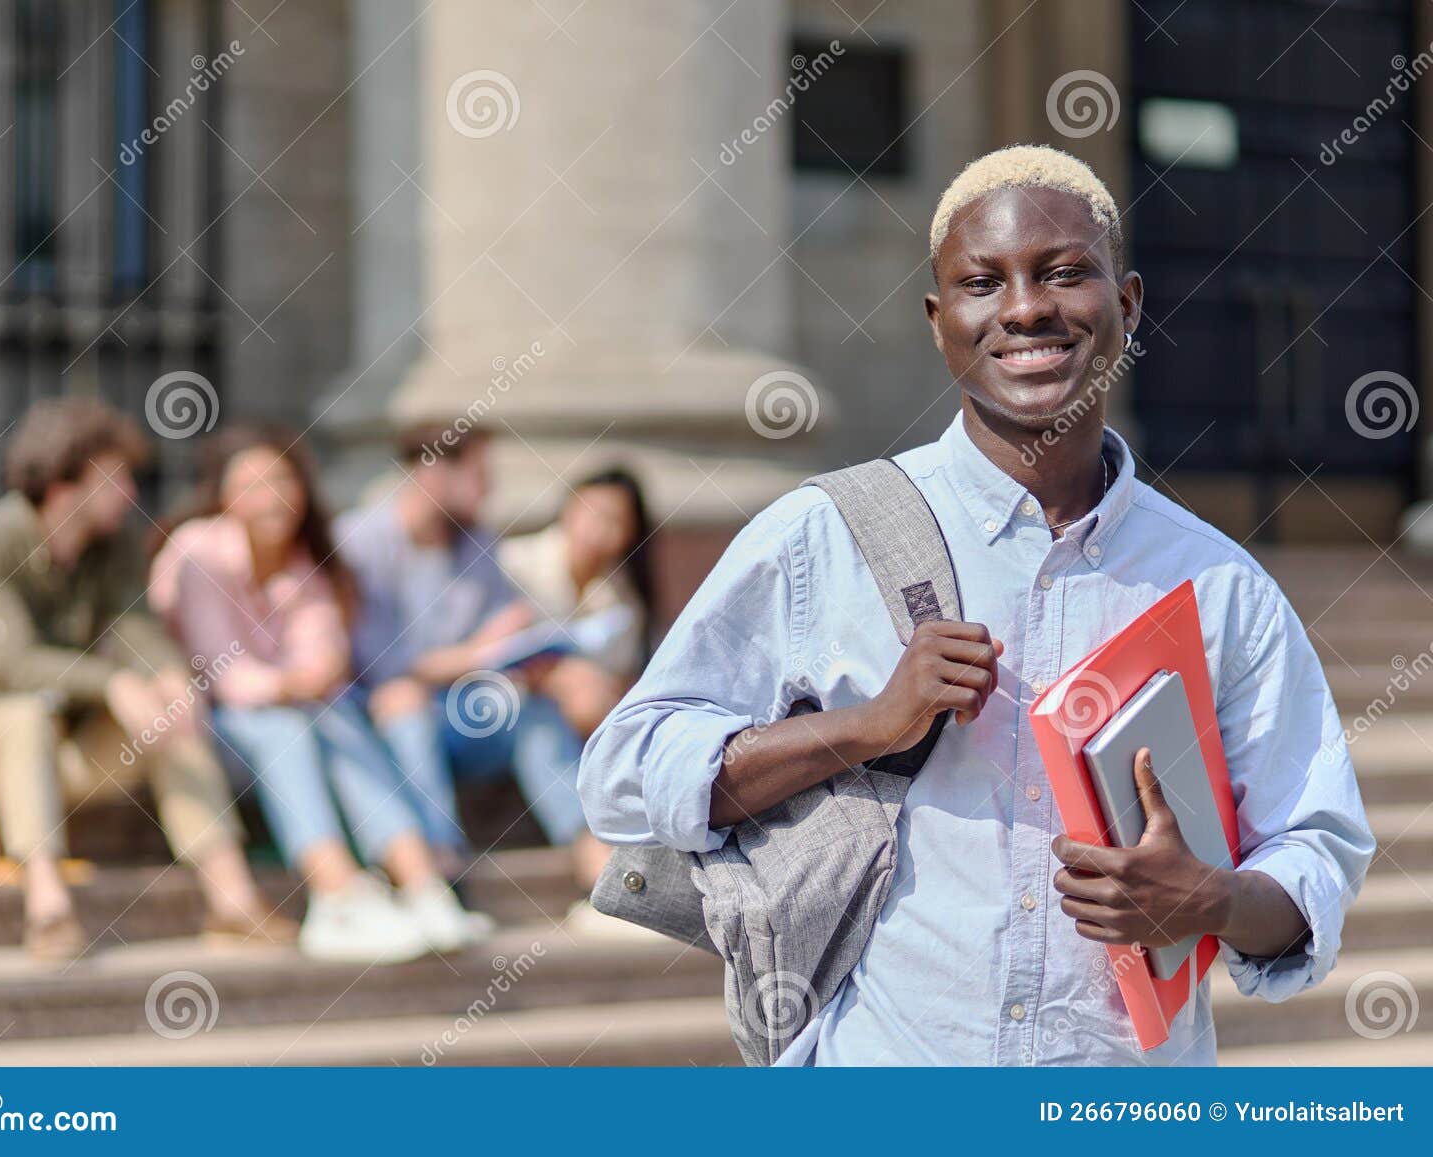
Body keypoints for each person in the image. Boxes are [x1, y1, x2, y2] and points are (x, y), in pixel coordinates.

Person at [578, 145, 1376, 1065]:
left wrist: (1209, 900)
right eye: (982, 282)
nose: (1027, 307)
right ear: (939, 319)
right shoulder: (822, 535)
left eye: (1065, 273)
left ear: (1128, 305)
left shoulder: (1221, 588)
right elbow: (623, 775)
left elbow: (1313, 852)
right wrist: (866, 725)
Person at [0, 397, 293, 961]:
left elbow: (136, 628)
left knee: (169, 713)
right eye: (116, 476)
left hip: (72, 752)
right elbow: (16, 663)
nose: (130, 491)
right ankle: (48, 906)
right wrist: (111, 684)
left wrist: (171, 677)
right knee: (26, 716)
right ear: (64, 481)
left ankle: (233, 900)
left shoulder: (117, 544)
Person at [150, 425, 492, 962]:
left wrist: (309, 677)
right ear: (225, 495)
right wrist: (294, 682)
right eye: (255, 484)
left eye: (283, 480)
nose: (274, 496)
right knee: (289, 723)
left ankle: (422, 884)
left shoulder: (307, 566)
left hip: (302, 719)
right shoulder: (198, 552)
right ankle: (336, 897)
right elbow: (226, 676)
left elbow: (323, 656)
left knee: (333, 712)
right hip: (219, 731)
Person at [334, 426, 617, 924]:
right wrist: (475, 653)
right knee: (403, 703)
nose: (487, 490)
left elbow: (505, 633)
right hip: (384, 718)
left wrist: (520, 652)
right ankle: (441, 873)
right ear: (432, 469)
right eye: (479, 475)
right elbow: (380, 663)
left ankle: (596, 867)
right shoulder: (361, 541)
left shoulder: (475, 542)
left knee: (536, 715)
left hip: (468, 711)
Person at [498, 468, 654, 737]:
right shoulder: (514, 563)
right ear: (568, 512)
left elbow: (621, 672)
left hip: (587, 710)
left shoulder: (623, 595)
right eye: (591, 514)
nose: (598, 529)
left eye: (614, 520)